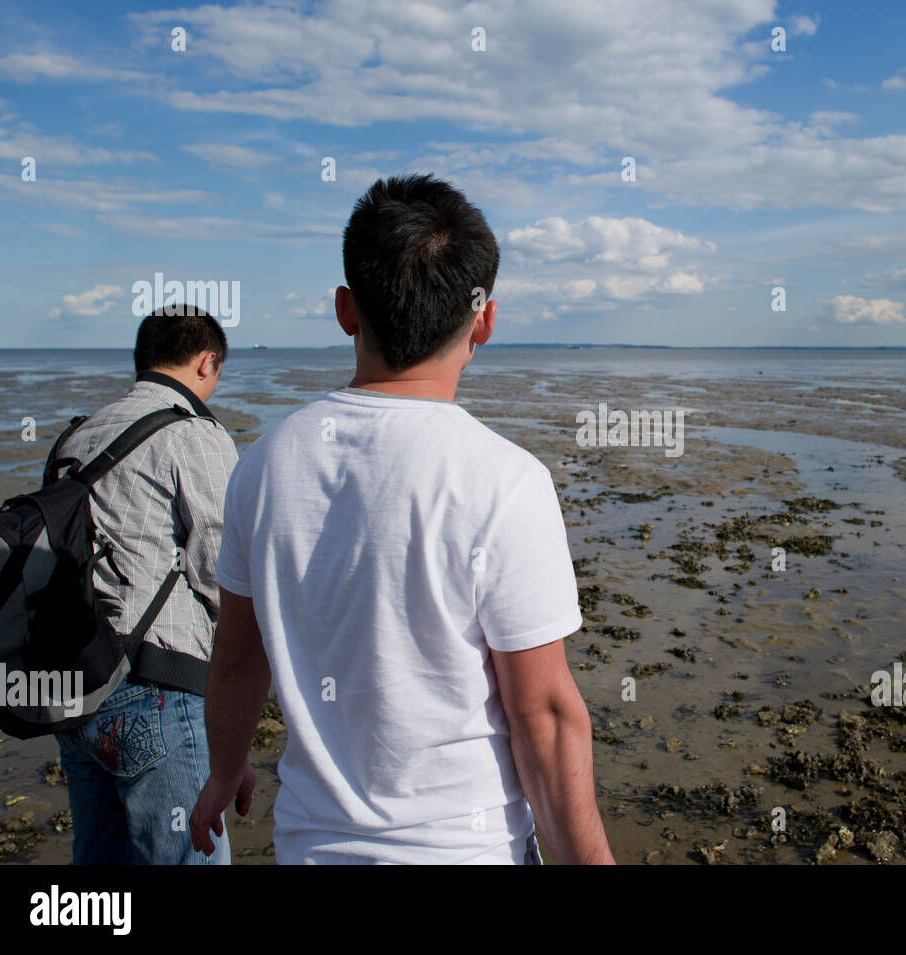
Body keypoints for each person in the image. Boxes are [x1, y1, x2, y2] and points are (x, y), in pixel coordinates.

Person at [191, 174, 615, 864]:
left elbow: (237, 659)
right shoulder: (506, 480)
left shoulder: (262, 466)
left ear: (346, 309)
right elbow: (545, 716)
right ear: (484, 320)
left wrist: (224, 766)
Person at [52, 306, 239, 864]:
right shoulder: (191, 433)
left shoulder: (76, 436)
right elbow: (223, 567)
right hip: (156, 683)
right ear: (207, 362)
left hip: (76, 687)